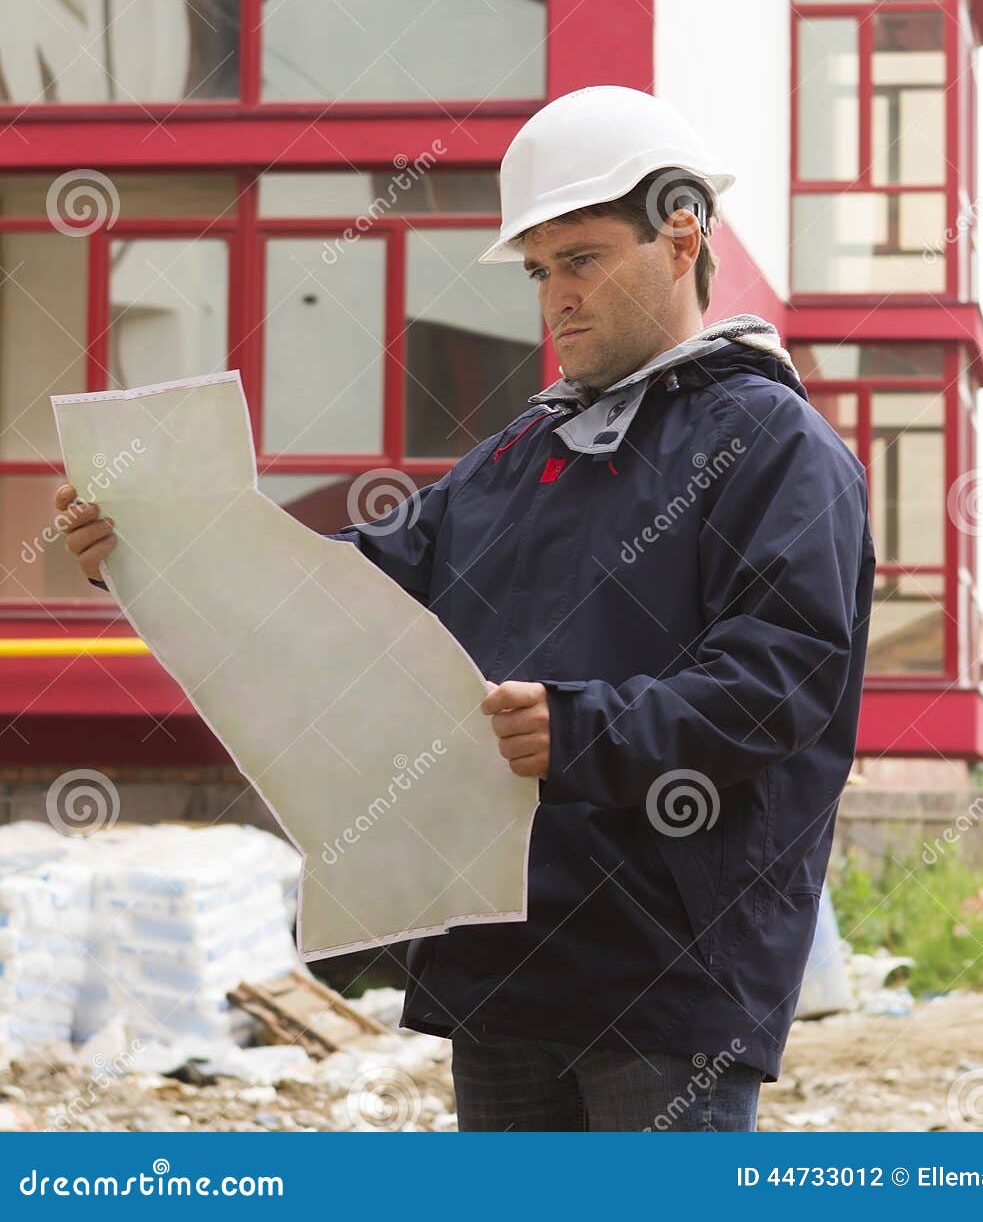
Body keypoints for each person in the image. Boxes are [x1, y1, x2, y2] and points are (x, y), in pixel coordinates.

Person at [57, 85, 875, 1133]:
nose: (553, 299)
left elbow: (779, 684)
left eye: (579, 259)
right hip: (499, 958)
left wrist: (575, 729)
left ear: (681, 235)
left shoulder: (772, 448)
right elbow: (336, 598)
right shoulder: (510, 463)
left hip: (665, 979)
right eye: (538, 271)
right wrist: (155, 547)